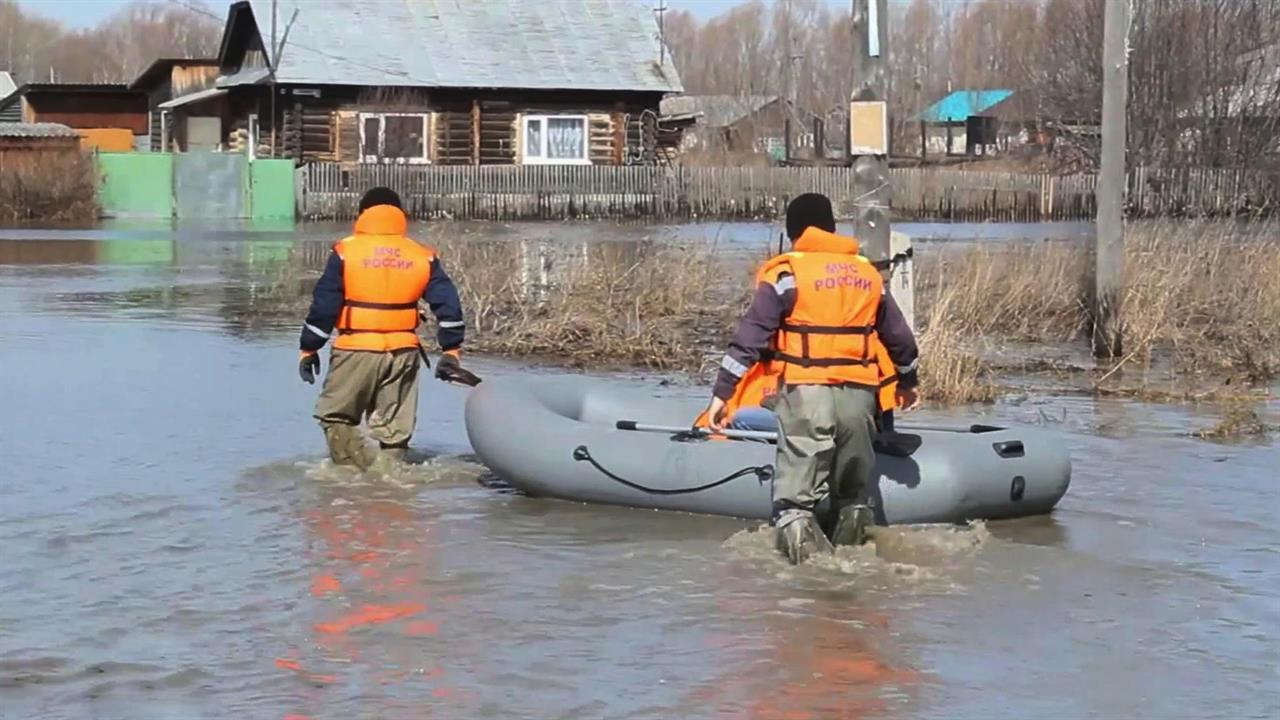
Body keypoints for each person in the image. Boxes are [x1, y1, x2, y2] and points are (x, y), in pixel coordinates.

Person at [702, 193, 920, 564]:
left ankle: (812, 586)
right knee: (853, 497)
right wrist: (907, 380)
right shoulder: (866, 273)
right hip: (859, 397)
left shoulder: (786, 274)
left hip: (807, 393)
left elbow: (751, 337)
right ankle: (853, 568)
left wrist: (724, 392)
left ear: (793, 234)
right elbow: (899, 339)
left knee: (794, 502)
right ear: (832, 230)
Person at [298, 187, 467, 469]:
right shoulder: (421, 255)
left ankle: (359, 480)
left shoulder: (345, 252)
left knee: (335, 416)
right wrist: (451, 351)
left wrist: (309, 348)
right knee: (394, 432)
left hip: (357, 348)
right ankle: (392, 488)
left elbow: (324, 307)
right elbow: (449, 306)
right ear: (400, 214)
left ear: (362, 214)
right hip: (404, 354)